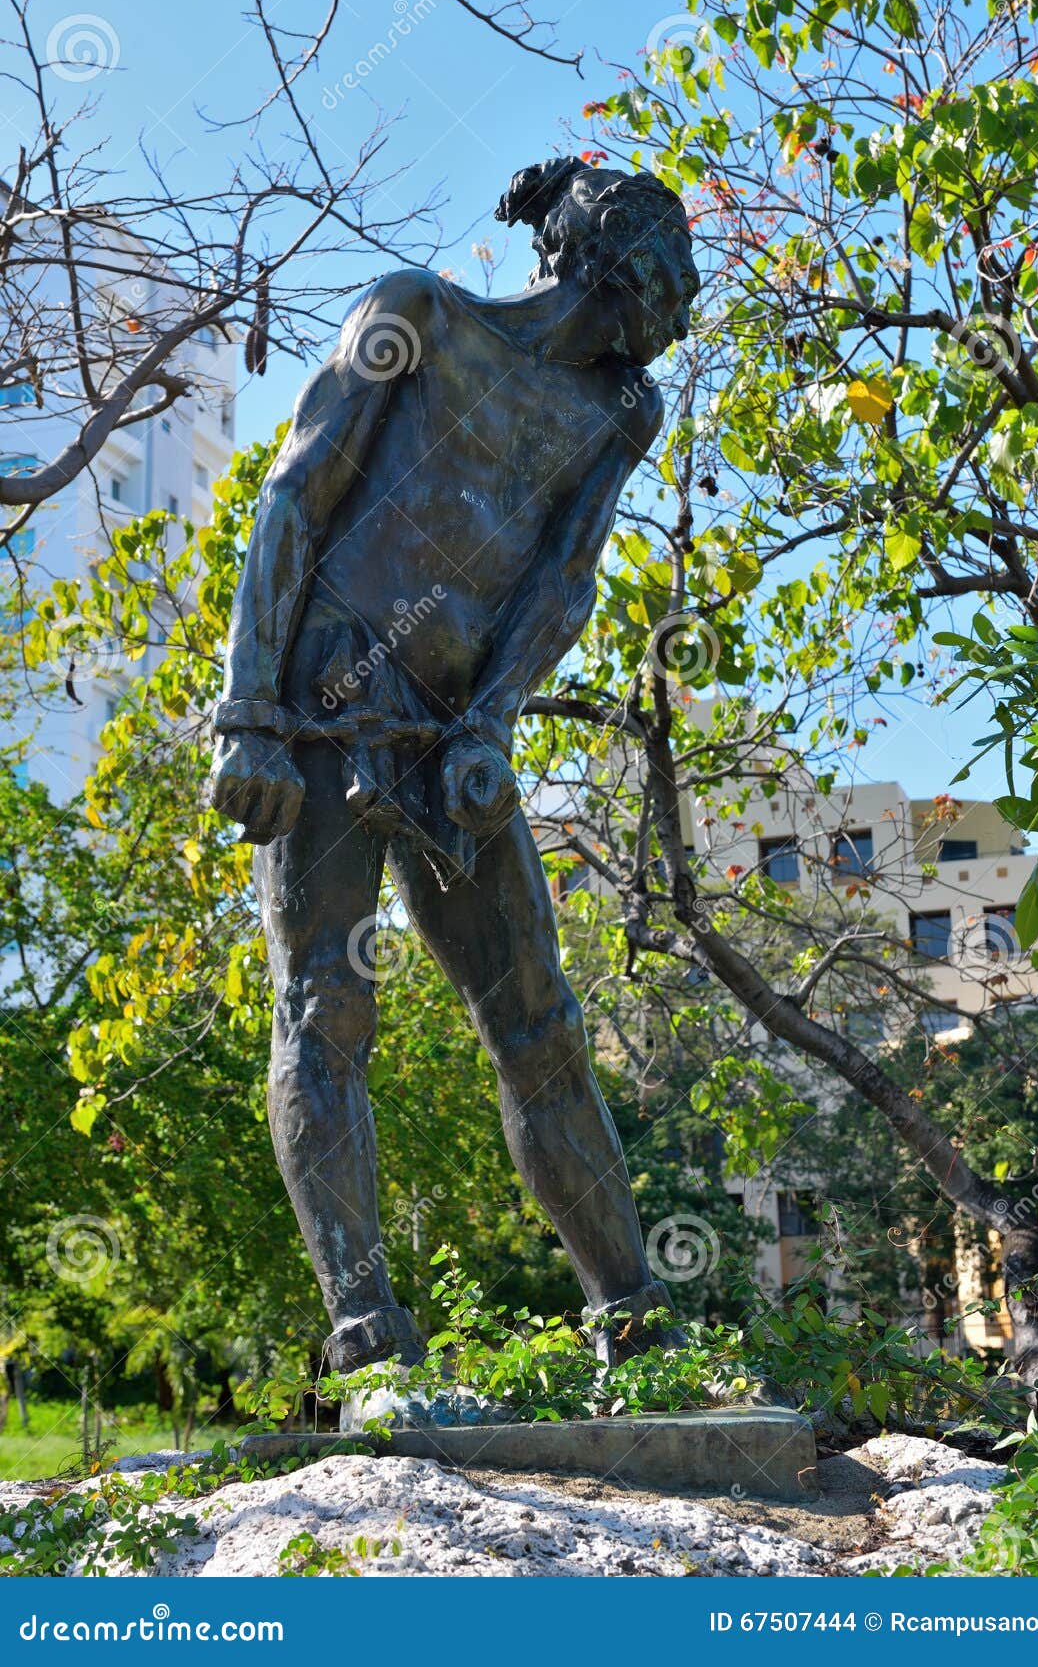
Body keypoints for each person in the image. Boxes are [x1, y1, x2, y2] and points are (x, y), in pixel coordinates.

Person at [208, 157, 700, 1376]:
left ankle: (634, 1320)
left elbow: (562, 581)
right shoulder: (416, 313)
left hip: (453, 737)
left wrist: (490, 723)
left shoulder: (620, 412)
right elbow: (294, 497)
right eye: (675, 263)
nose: (687, 298)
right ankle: (366, 1326)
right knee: (326, 1004)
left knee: (541, 1020)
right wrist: (247, 711)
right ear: (615, 257)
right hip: (321, 712)